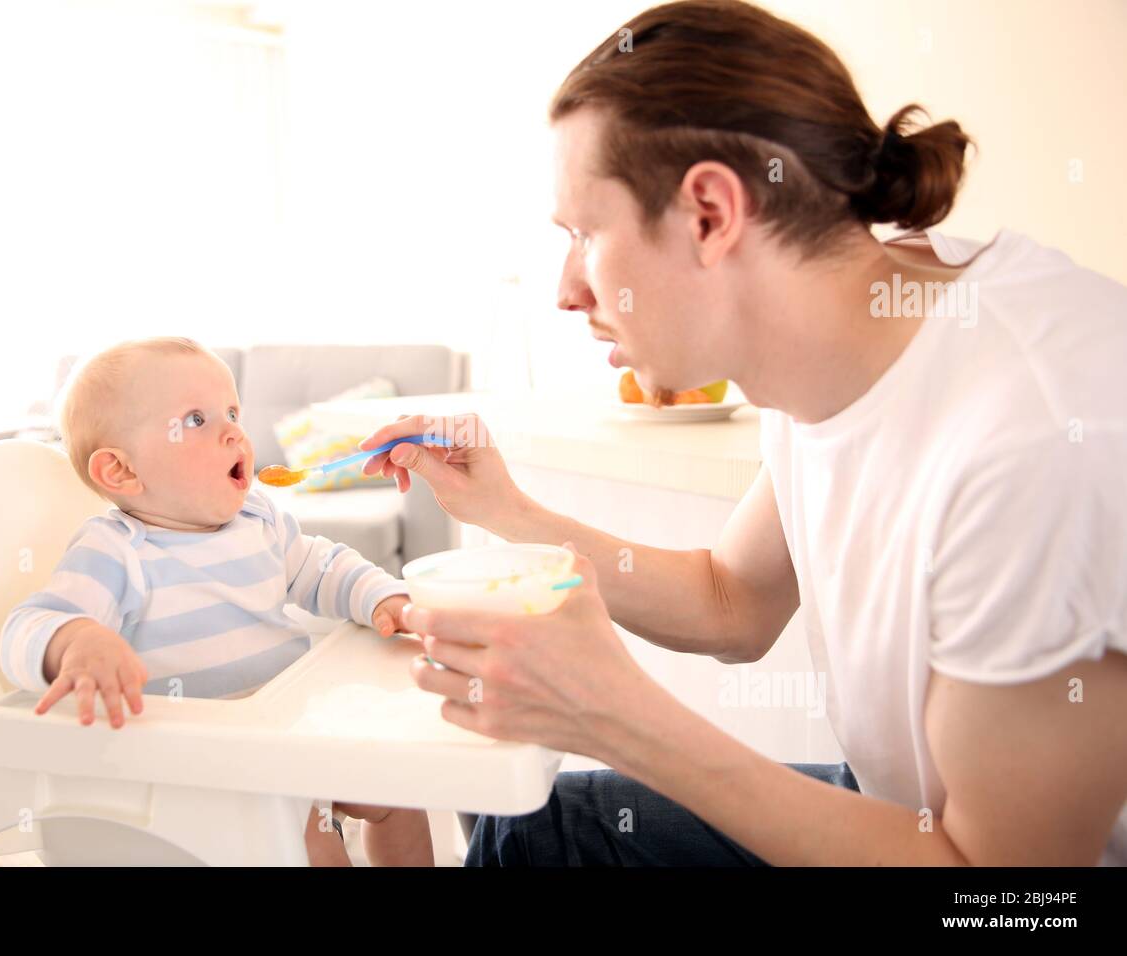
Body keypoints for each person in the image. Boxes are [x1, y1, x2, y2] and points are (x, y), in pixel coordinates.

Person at [357, 0, 1127, 865]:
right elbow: (735, 600)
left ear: (710, 214)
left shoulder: (1030, 441)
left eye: (584, 233)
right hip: (906, 811)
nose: (566, 290)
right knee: (533, 830)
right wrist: (512, 514)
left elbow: (1011, 902)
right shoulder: (849, 328)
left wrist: (615, 718)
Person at [0, 336, 433, 866]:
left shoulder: (258, 519)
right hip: (202, 772)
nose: (234, 431)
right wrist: (76, 641)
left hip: (291, 736)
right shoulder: (116, 551)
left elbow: (323, 568)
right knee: (315, 845)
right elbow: (28, 624)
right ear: (122, 472)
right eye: (196, 420)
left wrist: (380, 597)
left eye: (232, 411)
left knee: (405, 789)